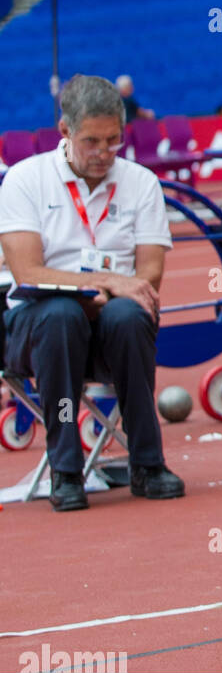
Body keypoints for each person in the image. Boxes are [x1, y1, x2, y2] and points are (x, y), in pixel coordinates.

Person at [0, 75, 184, 511]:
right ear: (65, 131)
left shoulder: (141, 183)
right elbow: (27, 271)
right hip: (35, 328)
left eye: (113, 141)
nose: (104, 153)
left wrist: (112, 291)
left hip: (111, 324)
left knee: (129, 317)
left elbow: (150, 274)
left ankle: (147, 462)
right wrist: (104, 281)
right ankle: (65, 470)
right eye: (91, 142)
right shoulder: (24, 180)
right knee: (61, 314)